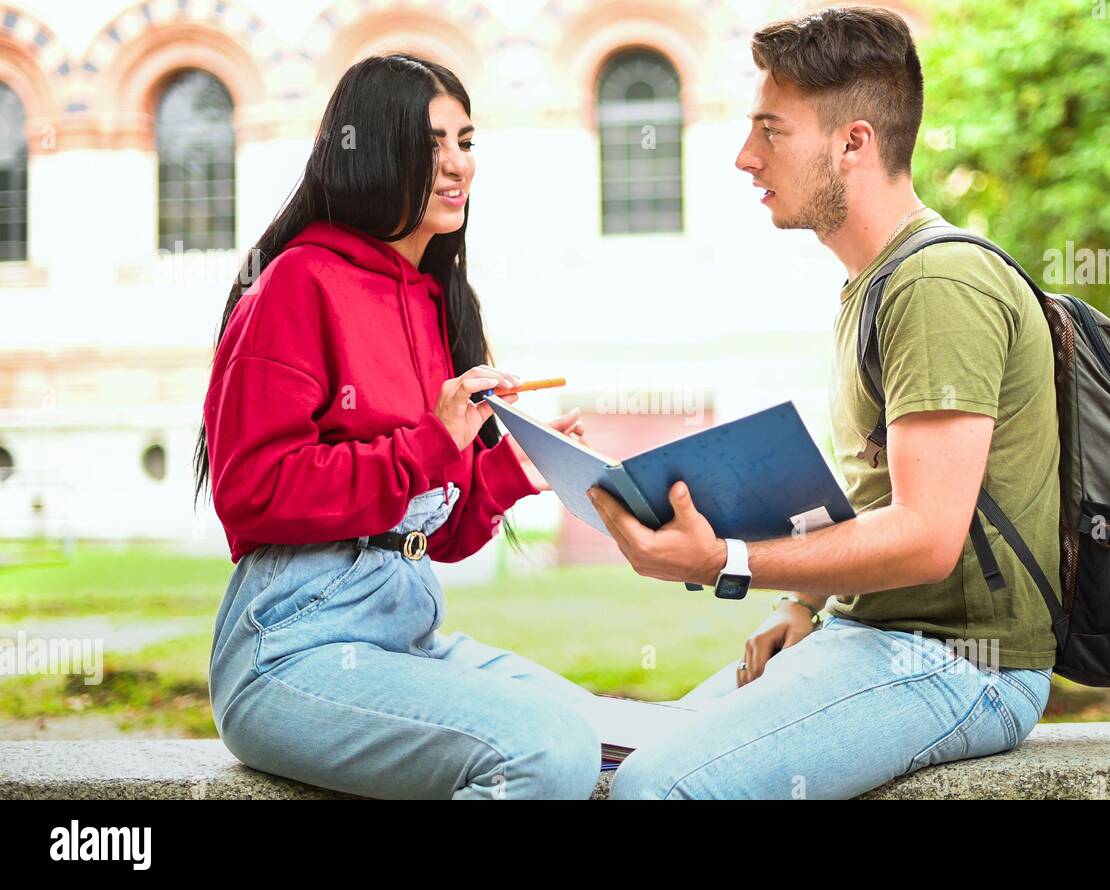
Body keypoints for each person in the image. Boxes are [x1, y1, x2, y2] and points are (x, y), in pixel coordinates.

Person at [590, 6, 1060, 799]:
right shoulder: (873, 284)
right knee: (605, 763)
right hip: (871, 634)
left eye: (771, 131)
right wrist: (807, 601)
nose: (744, 157)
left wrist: (726, 561)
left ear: (853, 144)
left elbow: (925, 537)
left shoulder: (937, 285)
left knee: (658, 789)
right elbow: (878, 494)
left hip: (961, 663)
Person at [200, 54, 601, 800]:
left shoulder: (437, 302)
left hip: (403, 640)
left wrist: (516, 470)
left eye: (466, 141)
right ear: (373, 149)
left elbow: (434, 538)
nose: (457, 166)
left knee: (614, 738)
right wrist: (428, 441)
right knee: (547, 754)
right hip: (290, 652)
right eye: (431, 143)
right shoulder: (298, 282)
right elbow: (250, 493)